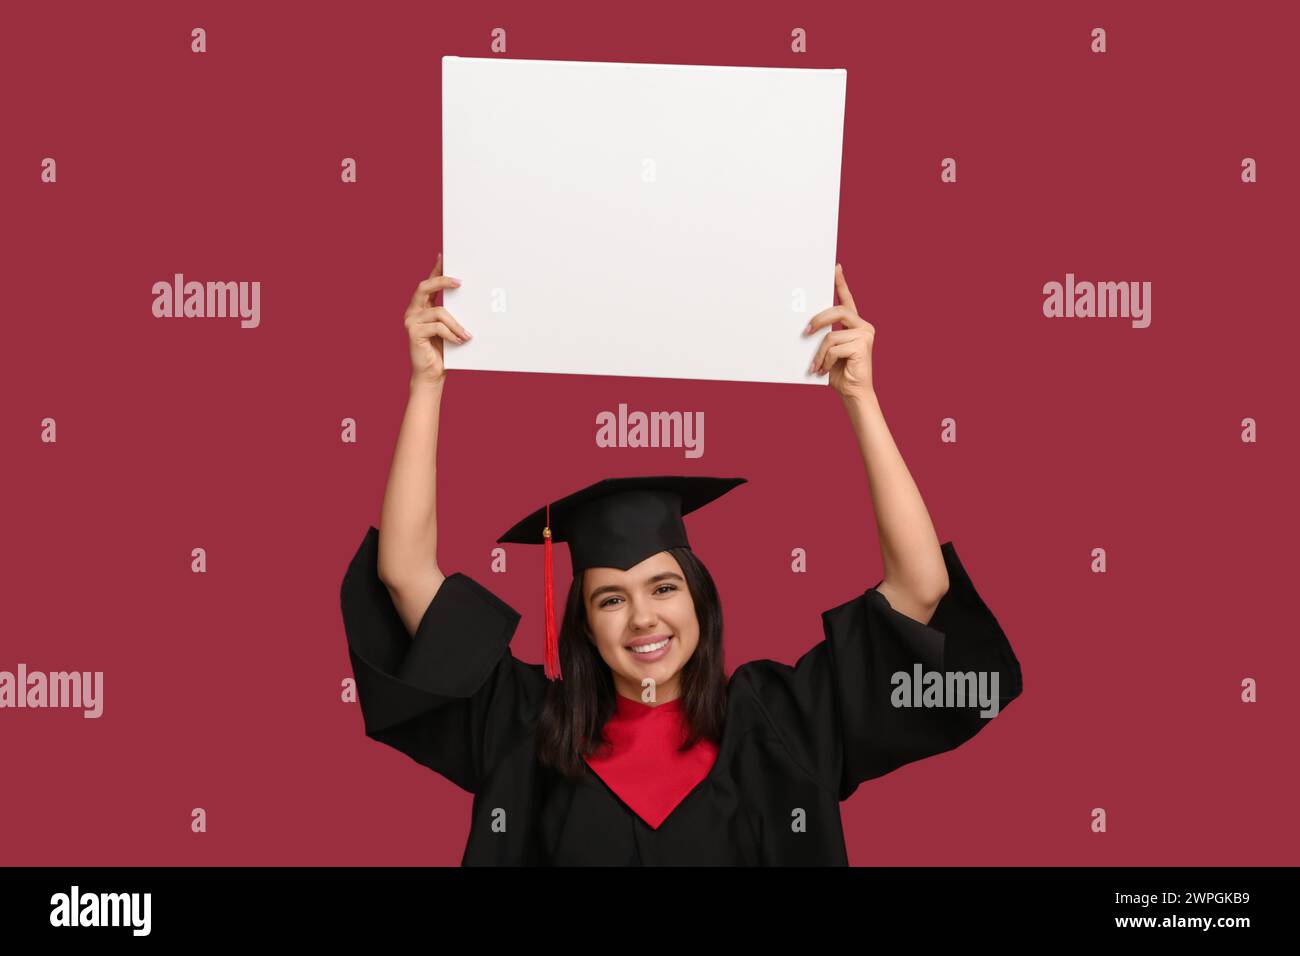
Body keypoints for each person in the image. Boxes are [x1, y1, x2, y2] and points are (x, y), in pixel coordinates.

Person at [339, 257, 1024, 865]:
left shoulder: (782, 723)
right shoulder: (528, 731)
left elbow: (921, 586)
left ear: (699, 598)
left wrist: (860, 397)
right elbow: (404, 573)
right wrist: (426, 384)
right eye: (610, 598)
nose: (643, 618)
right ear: (582, 621)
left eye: (663, 587)